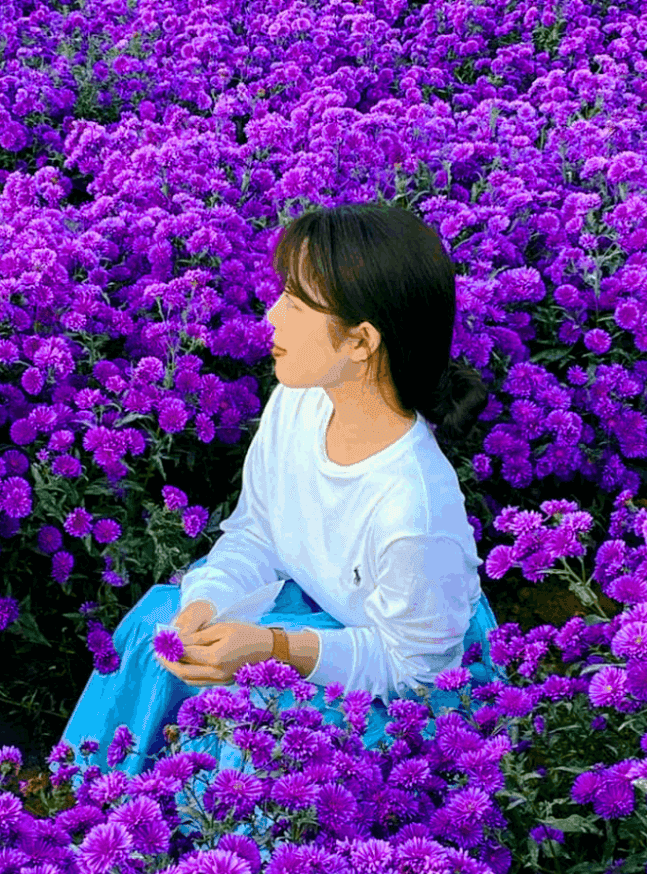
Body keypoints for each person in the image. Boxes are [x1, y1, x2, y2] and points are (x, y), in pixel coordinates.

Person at [63, 199, 502, 781]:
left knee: (261, 719)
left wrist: (272, 648)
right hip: (323, 614)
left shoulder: (413, 505)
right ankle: (103, 791)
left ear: (361, 341)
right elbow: (256, 533)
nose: (271, 316)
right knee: (159, 625)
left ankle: (211, 856)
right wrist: (207, 603)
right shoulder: (299, 400)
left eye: (295, 303)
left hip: (412, 683)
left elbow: (414, 667)